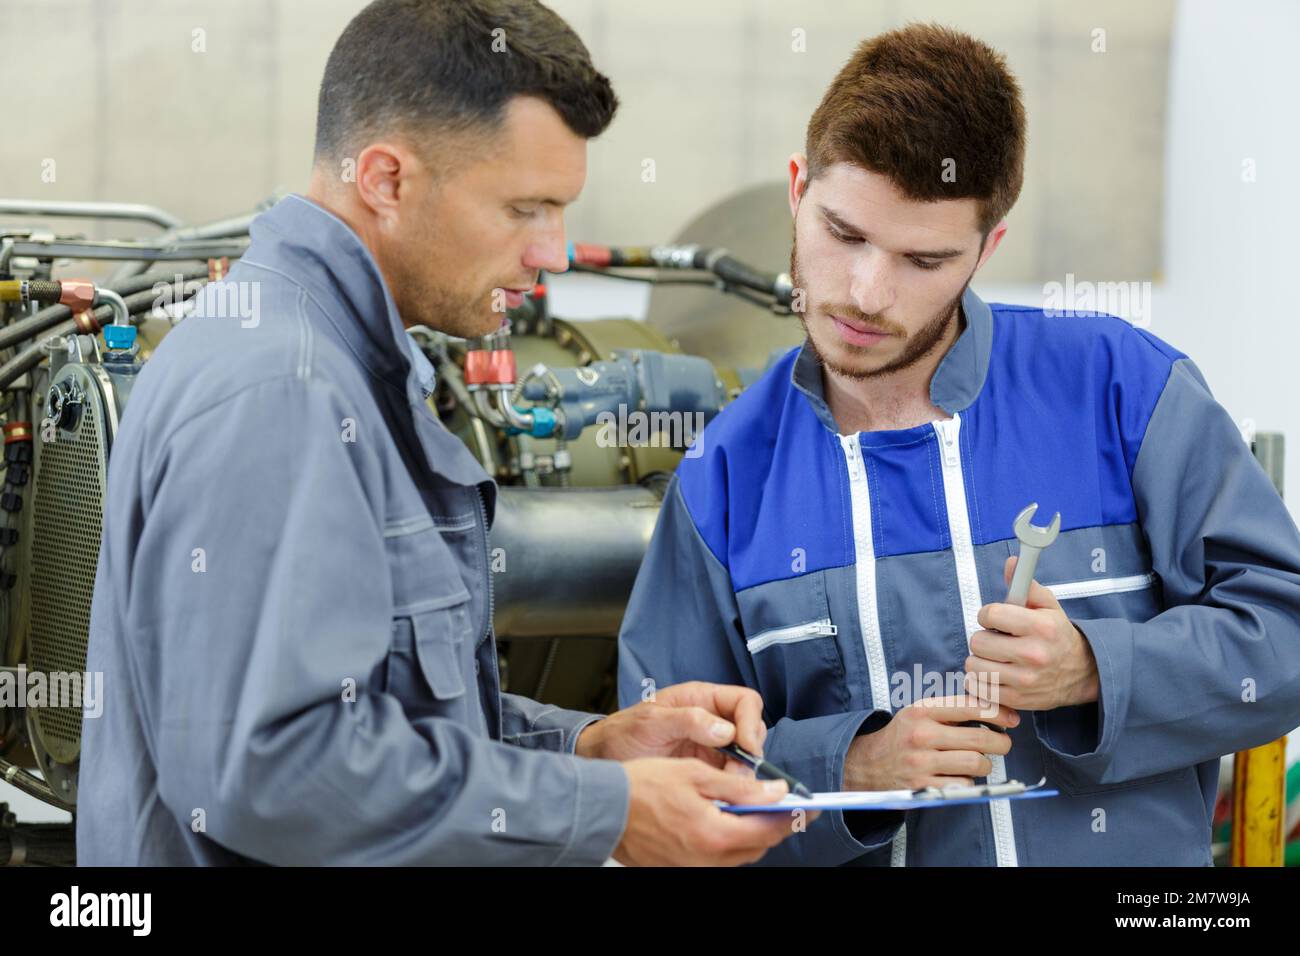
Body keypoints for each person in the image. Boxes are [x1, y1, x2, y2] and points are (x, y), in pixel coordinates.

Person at [77, 0, 800, 866]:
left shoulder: (342, 361)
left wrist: (589, 750)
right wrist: (603, 811)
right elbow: (273, 771)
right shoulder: (285, 389)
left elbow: (384, 717)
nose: (555, 252)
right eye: (525, 208)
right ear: (385, 179)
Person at [617, 23, 1300, 866]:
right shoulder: (723, 476)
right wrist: (851, 767)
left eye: (923, 259)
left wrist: (1096, 669)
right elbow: (670, 788)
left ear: (988, 248)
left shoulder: (1123, 387)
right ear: (798, 191)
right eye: (844, 234)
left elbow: (1286, 637)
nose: (866, 293)